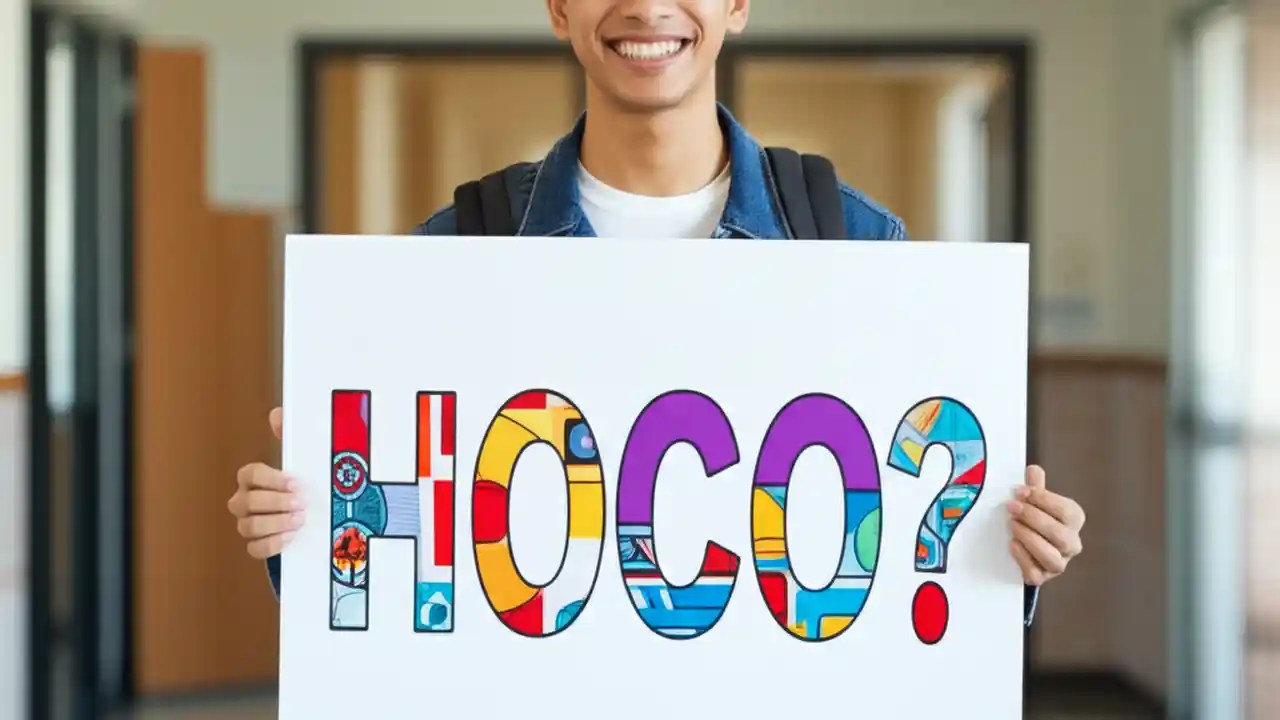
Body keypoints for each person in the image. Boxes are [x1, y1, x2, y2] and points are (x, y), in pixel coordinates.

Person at [227, 0, 1086, 624]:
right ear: (559, 8)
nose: (645, 7)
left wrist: (1009, 553)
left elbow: (902, 538)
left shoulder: (854, 241)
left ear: (737, 5)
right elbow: (416, 535)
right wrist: (314, 527)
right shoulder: (455, 253)